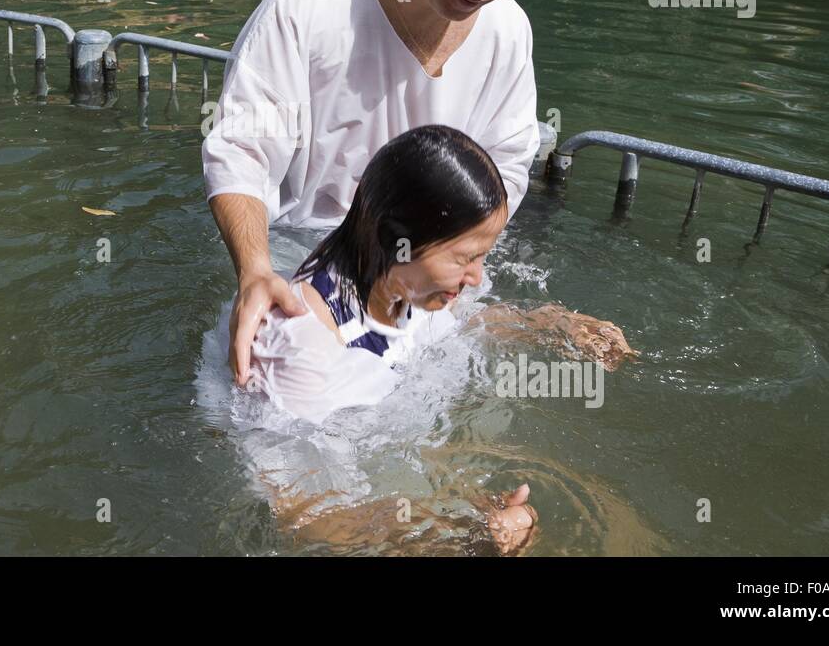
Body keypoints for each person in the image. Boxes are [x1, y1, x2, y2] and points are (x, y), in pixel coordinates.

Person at [202, 0, 553, 387]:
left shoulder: (508, 30)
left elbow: (506, 164)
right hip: (311, 267)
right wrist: (255, 269)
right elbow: (242, 149)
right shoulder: (309, 3)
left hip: (435, 279)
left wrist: (456, 276)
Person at [230, 124, 636, 553]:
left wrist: (551, 324)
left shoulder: (398, 287)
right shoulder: (305, 347)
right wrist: (459, 531)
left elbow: (457, 328)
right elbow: (303, 518)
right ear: (396, 240)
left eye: (483, 256)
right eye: (465, 258)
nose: (477, 277)